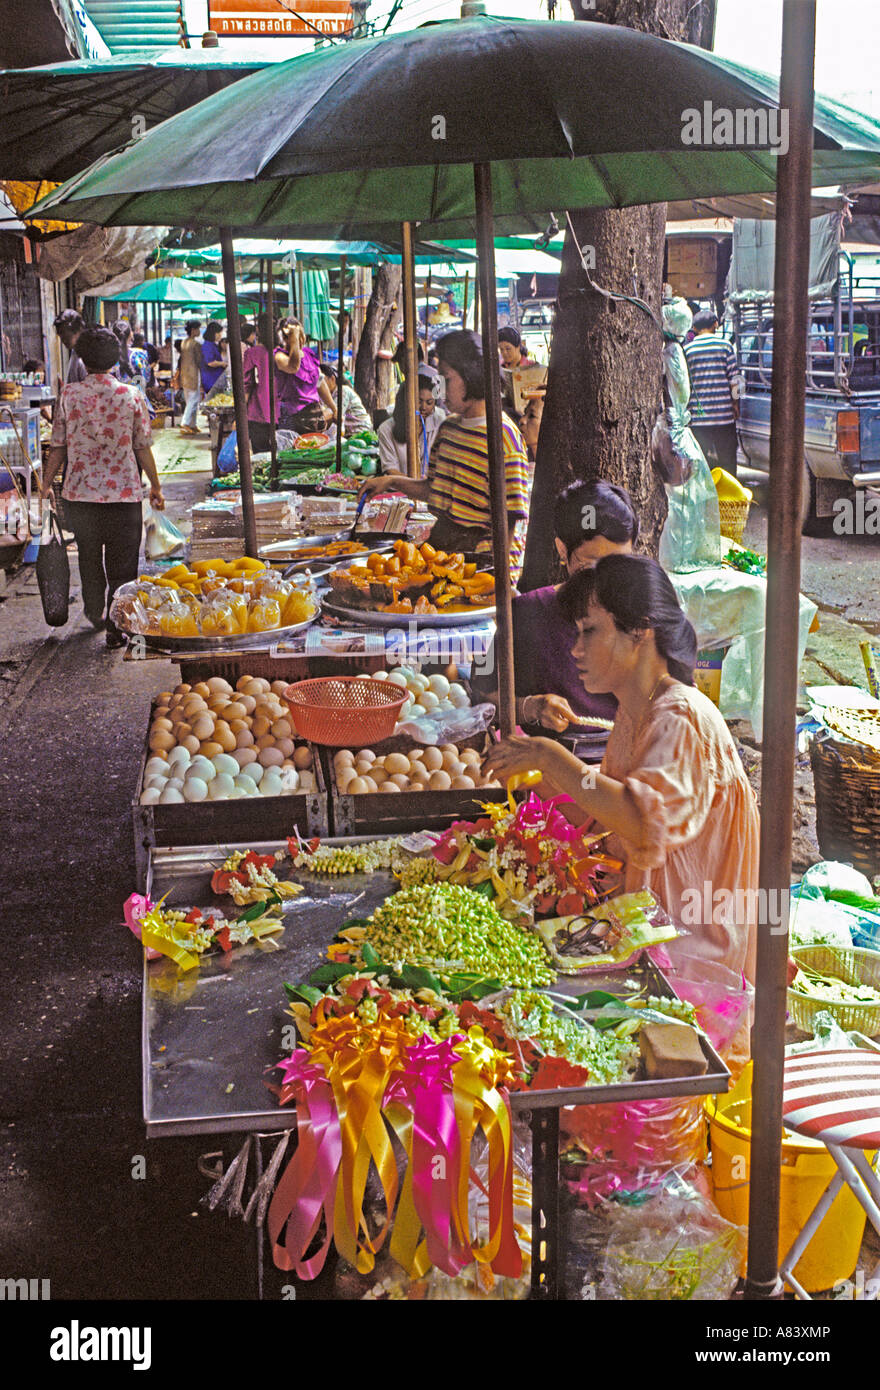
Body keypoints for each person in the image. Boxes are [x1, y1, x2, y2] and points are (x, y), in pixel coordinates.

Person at [484, 554, 760, 980]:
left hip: (693, 955)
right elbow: (604, 814)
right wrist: (538, 784)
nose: (576, 649)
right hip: (644, 925)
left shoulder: (679, 718)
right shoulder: (637, 713)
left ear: (640, 630)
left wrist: (550, 757)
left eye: (589, 632)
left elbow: (635, 819)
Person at [473, 480, 637, 762]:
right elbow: (482, 701)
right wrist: (531, 707)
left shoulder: (645, 614)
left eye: (619, 564)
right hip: (551, 771)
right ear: (562, 550)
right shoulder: (527, 613)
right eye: (591, 565)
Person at [359, 329, 530, 573]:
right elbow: (435, 489)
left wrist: (497, 581)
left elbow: (510, 521)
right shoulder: (448, 429)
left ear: (471, 376)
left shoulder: (503, 438)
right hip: (443, 551)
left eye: (446, 379)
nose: (439, 390)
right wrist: (390, 481)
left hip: (482, 564)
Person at [39, 326, 165, 651]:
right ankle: (116, 625)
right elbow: (142, 446)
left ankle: (95, 609)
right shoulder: (132, 395)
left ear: (82, 357)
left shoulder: (68, 394)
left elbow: (58, 446)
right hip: (124, 495)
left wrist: (44, 485)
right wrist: (155, 485)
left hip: (80, 496)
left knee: (89, 557)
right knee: (123, 565)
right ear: (116, 358)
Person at [683, 310, 739, 477]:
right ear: (715, 324)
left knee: (701, 464)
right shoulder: (726, 346)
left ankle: (704, 499)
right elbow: (736, 380)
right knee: (728, 461)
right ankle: (730, 497)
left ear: (694, 327)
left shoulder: (688, 349)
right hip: (724, 417)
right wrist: (736, 404)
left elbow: (685, 384)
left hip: (698, 419)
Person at [376, 366, 446, 475]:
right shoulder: (385, 430)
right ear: (406, 400)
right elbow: (391, 469)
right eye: (418, 401)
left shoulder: (440, 419)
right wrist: (414, 488)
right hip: (400, 489)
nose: (423, 407)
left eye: (429, 402)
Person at [274, 318, 336, 434]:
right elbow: (294, 367)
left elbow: (320, 382)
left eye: (301, 335)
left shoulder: (308, 355)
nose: (300, 339)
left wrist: (334, 408)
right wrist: (294, 341)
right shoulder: (279, 356)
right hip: (292, 416)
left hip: (313, 414)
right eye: (296, 336)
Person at [243, 316, 277, 454]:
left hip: (259, 413)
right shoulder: (282, 353)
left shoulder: (252, 353)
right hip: (282, 413)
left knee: (262, 458)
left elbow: (246, 384)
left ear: (258, 330)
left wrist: (238, 414)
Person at [319, 363, 372, 434]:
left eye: (322, 380)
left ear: (332, 379)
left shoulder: (343, 391)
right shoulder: (327, 397)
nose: (319, 385)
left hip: (361, 431)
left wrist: (312, 421)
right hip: (348, 432)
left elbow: (331, 413)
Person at [177, 318, 203, 436]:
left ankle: (192, 424)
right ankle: (185, 423)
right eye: (198, 329)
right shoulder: (195, 344)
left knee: (190, 399)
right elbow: (199, 361)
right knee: (193, 400)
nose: (199, 331)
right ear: (193, 330)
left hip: (184, 374)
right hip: (193, 374)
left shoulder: (183, 342)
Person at [53, 309, 88, 384]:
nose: (63, 340)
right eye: (60, 336)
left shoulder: (85, 357)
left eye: (65, 336)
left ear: (78, 331)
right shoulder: (74, 352)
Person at [200, 320, 226, 397]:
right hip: (211, 381)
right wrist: (223, 364)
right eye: (219, 333)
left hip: (215, 380)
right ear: (213, 333)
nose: (220, 336)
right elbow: (210, 362)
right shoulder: (208, 346)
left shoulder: (212, 345)